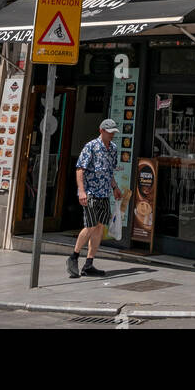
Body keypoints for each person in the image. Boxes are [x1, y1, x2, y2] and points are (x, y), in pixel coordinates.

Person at [69, 118, 123, 279]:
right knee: (90, 225)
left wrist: (115, 187)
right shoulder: (91, 146)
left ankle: (89, 264)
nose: (112, 135)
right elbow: (80, 169)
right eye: (109, 132)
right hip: (91, 192)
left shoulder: (113, 149)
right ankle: (73, 257)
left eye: (114, 132)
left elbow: (109, 172)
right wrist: (81, 191)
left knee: (99, 227)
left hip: (104, 193)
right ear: (101, 131)